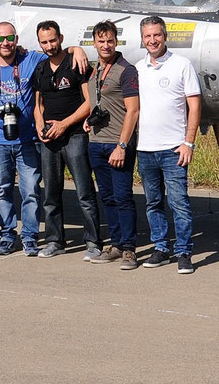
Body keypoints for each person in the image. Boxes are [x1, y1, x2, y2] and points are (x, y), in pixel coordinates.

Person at [0, 21, 89, 256]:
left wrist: (76, 49)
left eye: (10, 38)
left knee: (30, 191)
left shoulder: (30, 60)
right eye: (0, 39)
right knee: (2, 190)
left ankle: (29, 237)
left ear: (16, 39)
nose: (5, 43)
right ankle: (7, 236)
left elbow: (55, 52)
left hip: (28, 140)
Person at [134, 15, 201, 274]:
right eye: (148, 36)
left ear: (165, 36)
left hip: (174, 149)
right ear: (142, 39)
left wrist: (188, 142)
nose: (152, 40)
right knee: (153, 203)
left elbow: (194, 105)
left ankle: (184, 252)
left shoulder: (182, 65)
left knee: (179, 203)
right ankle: (161, 248)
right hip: (145, 149)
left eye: (157, 35)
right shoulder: (138, 69)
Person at [30, 20, 103, 259]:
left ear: (61, 38)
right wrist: (40, 126)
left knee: (84, 193)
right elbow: (38, 104)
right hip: (50, 140)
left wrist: (64, 124)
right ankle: (54, 241)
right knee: (51, 194)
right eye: (44, 42)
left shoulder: (76, 64)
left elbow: (90, 102)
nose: (49, 45)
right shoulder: (41, 69)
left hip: (75, 136)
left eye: (53, 40)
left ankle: (93, 242)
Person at [82, 20, 140, 268]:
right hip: (96, 143)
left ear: (116, 42)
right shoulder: (96, 69)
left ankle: (129, 249)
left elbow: (133, 111)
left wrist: (122, 146)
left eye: (110, 41)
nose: (105, 45)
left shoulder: (126, 70)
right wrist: (89, 119)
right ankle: (115, 245)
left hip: (117, 144)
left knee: (123, 197)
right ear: (94, 43)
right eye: (101, 41)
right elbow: (98, 102)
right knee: (107, 197)